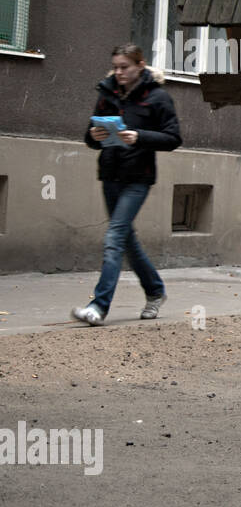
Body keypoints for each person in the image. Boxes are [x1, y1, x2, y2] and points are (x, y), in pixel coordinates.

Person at [72, 45, 182, 326]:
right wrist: (94, 135)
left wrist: (140, 136)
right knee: (126, 241)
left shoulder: (157, 97)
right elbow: (89, 138)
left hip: (138, 178)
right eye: (116, 67)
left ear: (140, 65)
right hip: (110, 175)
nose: (118, 72)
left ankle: (98, 306)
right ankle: (156, 291)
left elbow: (173, 138)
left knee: (113, 239)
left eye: (125, 67)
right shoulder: (107, 93)